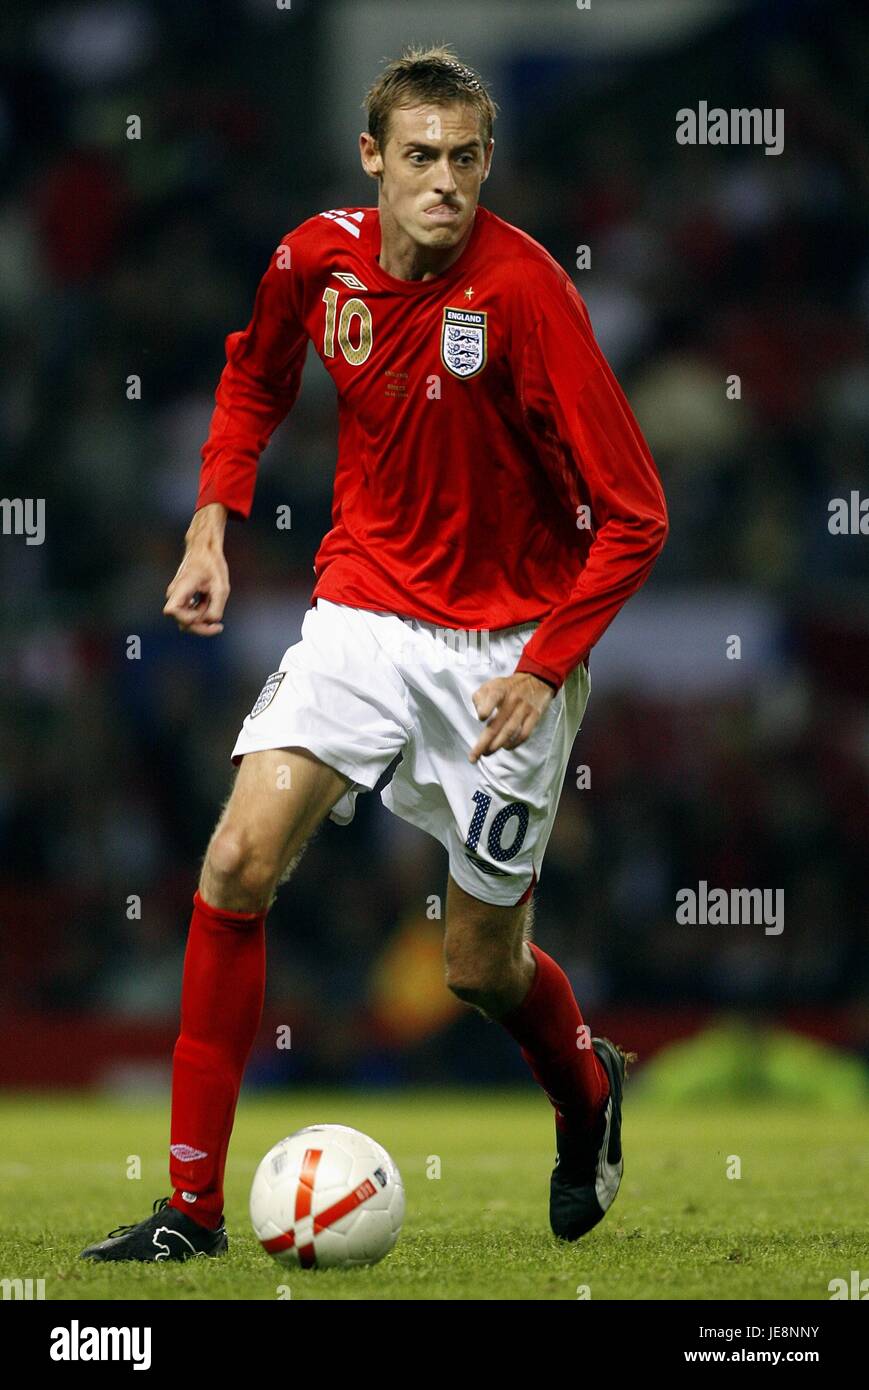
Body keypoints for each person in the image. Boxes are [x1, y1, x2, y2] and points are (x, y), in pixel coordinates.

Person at [81, 44, 666, 1263]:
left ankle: (587, 1094)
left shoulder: (526, 295)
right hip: (362, 614)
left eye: (463, 159)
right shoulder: (316, 256)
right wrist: (210, 525)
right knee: (235, 860)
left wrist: (543, 666)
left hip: (509, 647)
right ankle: (188, 1211)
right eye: (418, 158)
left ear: (486, 162)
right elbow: (251, 376)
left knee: (475, 967)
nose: (442, 183)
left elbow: (635, 512)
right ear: (371, 160)